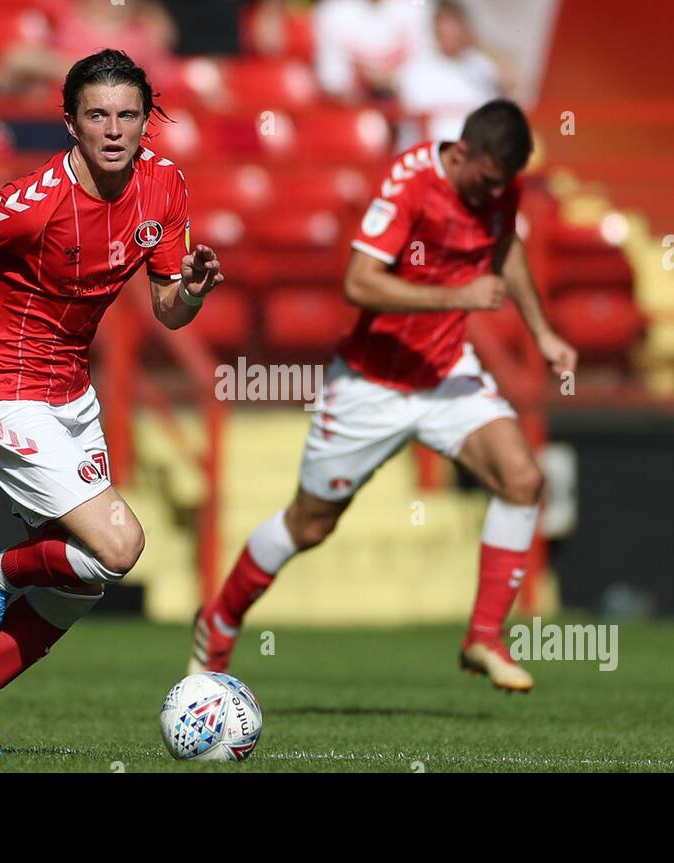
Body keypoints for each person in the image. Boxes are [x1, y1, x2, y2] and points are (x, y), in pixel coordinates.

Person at [0, 49, 223, 755]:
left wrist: (191, 288)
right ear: (69, 122)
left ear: (145, 120)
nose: (113, 129)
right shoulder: (36, 202)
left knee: (86, 579)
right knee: (121, 543)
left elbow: (168, 311)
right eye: (96, 115)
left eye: (127, 114)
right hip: (6, 390)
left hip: (72, 395)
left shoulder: (164, 185)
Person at [188, 100, 578, 693]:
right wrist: (458, 298)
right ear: (462, 151)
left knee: (523, 480)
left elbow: (507, 247)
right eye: (489, 180)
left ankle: (484, 637)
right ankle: (220, 618)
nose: (494, 193)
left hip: (446, 373)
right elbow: (358, 282)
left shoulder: (496, 191)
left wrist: (543, 331)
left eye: (505, 185)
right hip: (369, 384)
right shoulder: (411, 184)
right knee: (310, 525)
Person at [395, 1, 508, 149]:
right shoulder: (417, 69)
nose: (453, 34)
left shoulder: (481, 65)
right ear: (436, 30)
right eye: (447, 28)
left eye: (457, 27)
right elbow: (418, 116)